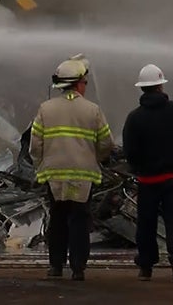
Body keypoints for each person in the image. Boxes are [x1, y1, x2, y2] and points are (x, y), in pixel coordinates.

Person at [29, 54, 114, 281]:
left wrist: (40, 166)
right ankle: (78, 269)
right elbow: (107, 143)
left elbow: (35, 145)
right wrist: (96, 158)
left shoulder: (45, 109)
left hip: (54, 176)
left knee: (57, 219)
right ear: (78, 84)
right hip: (83, 177)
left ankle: (55, 266)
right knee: (79, 221)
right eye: (84, 82)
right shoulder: (93, 110)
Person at [122, 64, 173, 283]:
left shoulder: (134, 118)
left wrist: (139, 167)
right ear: (160, 86)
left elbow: (130, 151)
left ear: (142, 88)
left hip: (147, 180)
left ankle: (145, 267)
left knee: (146, 224)